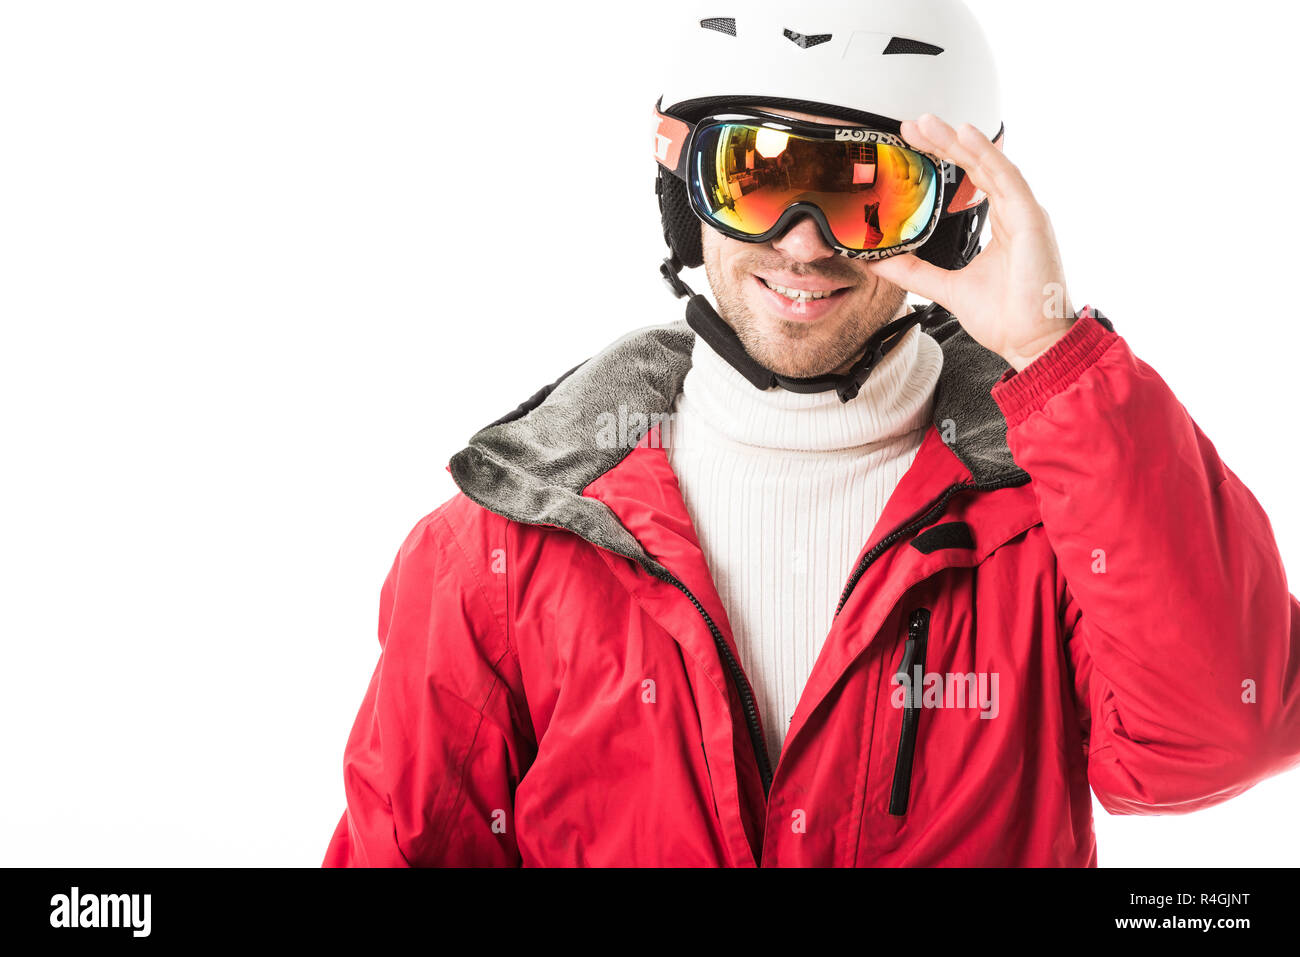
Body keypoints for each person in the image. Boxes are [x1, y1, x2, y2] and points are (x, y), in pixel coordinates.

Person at [322, 0, 1300, 867]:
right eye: (757, 176)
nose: (803, 240)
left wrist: (1051, 348)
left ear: (953, 209)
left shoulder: (1048, 520)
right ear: (680, 175)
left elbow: (1220, 736)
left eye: (863, 189)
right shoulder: (500, 546)